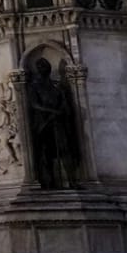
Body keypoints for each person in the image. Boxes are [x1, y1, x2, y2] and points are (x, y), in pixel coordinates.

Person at [26, 57, 81, 190]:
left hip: (58, 123)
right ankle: (48, 182)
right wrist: (52, 111)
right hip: (44, 124)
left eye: (46, 66)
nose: (44, 68)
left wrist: (62, 109)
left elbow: (63, 101)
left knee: (65, 150)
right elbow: (34, 104)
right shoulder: (34, 86)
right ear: (38, 70)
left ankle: (72, 181)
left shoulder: (56, 86)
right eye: (41, 66)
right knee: (45, 154)